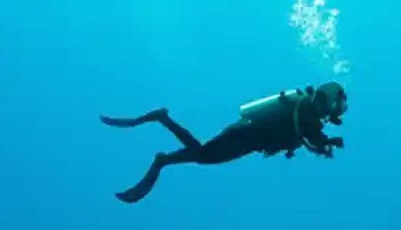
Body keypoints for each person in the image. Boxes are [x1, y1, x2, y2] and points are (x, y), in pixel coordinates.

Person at [101, 82, 347, 204]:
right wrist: (328, 143)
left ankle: (163, 156)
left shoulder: (308, 115)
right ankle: (163, 125)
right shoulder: (305, 111)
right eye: (333, 106)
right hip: (245, 135)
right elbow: (312, 138)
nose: (330, 111)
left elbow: (312, 138)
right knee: (203, 155)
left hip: (248, 140)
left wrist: (328, 142)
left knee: (203, 155)